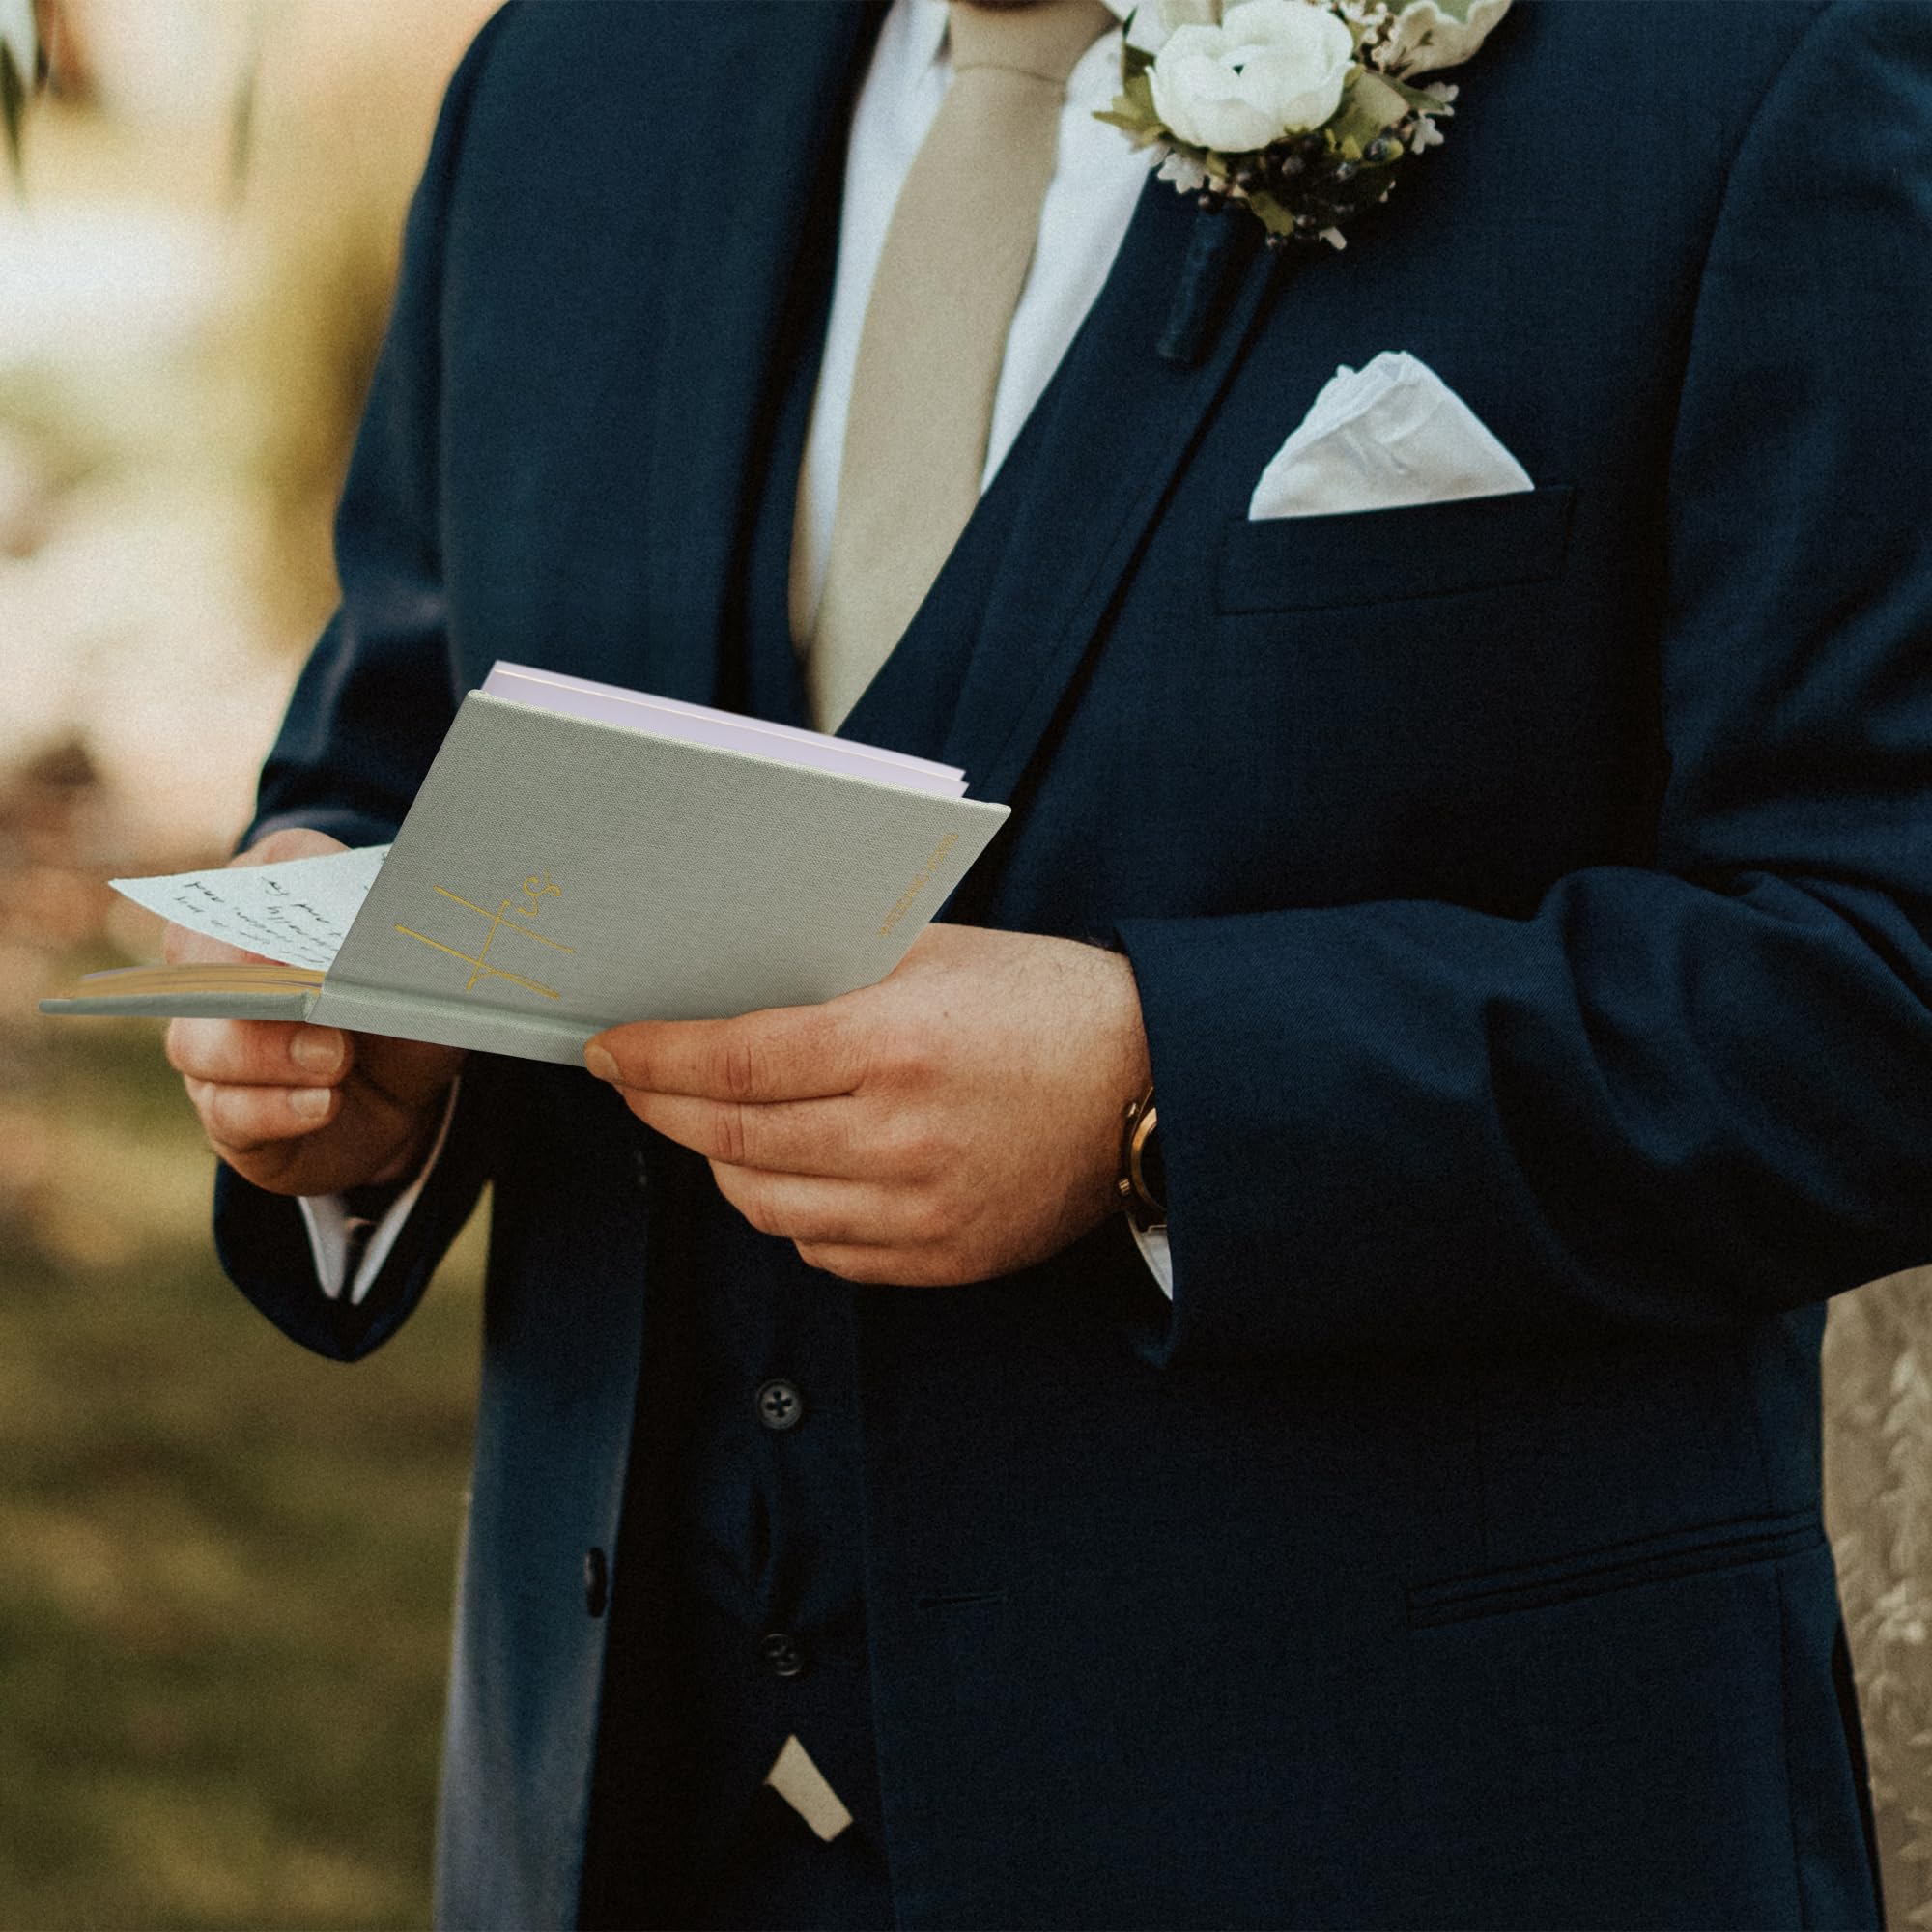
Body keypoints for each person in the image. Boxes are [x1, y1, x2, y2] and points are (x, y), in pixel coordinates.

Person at [160, 0, 1932, 1924]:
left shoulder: (1764, 62)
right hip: (631, 1834)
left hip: (1403, 1819)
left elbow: (1876, 969)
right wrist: (352, 1052)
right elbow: (396, 751)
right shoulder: (572, 79)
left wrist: (1169, 1092)